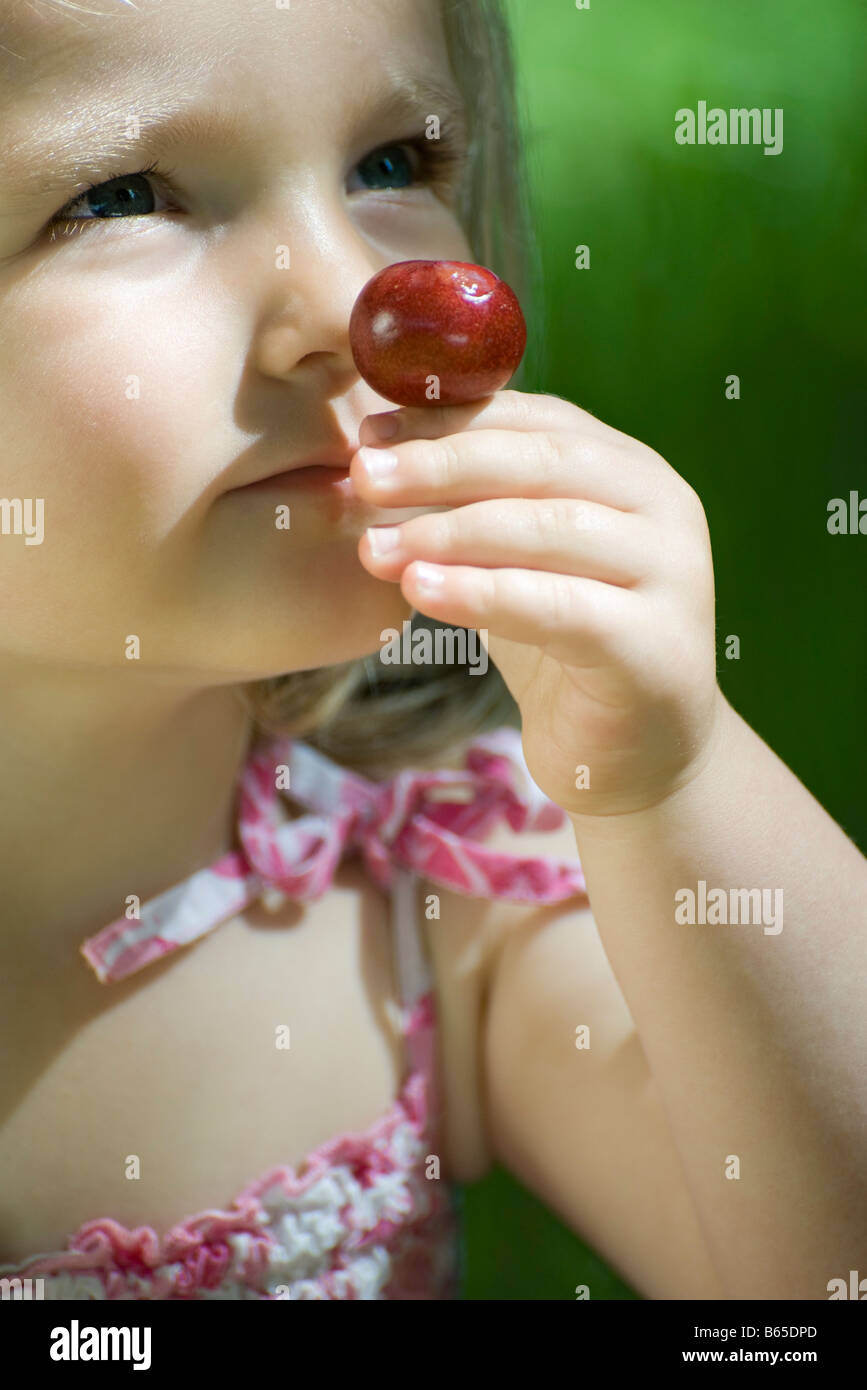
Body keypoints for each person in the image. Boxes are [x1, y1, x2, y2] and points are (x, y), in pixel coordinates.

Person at [0, 0, 864, 1301]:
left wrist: (673, 780)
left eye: (394, 164)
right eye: (127, 193)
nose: (352, 304)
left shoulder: (439, 891)